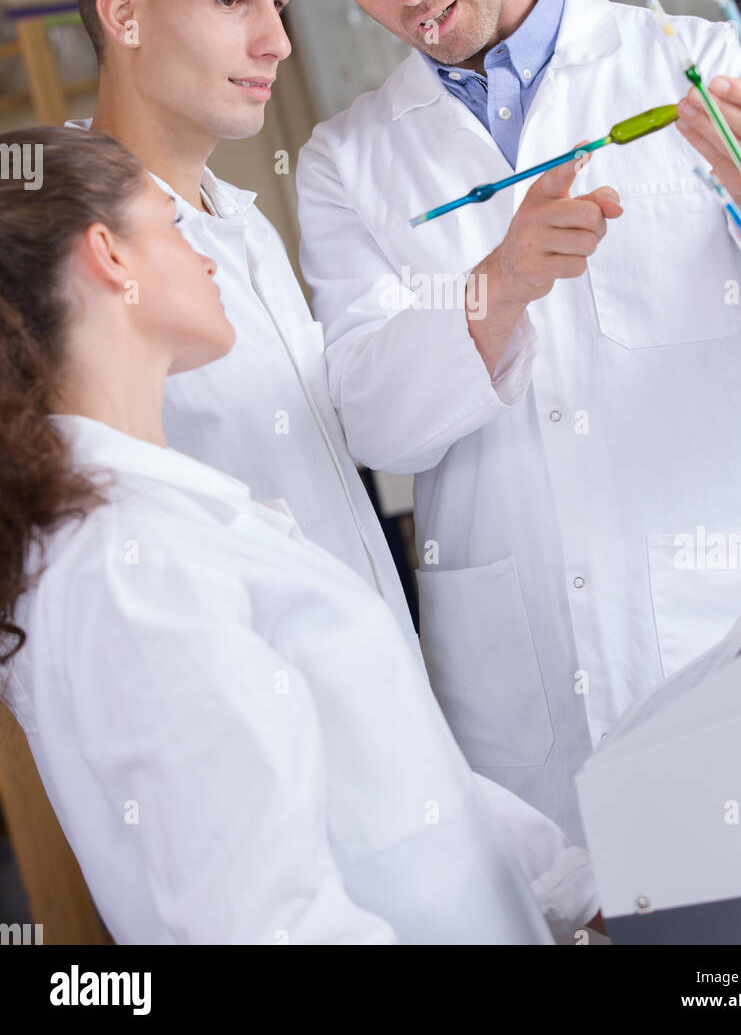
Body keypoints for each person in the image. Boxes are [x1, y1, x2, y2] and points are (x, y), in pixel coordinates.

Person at [291, 0, 741, 844]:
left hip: (718, 644)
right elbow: (372, 424)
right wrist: (498, 286)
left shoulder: (695, 64)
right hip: (521, 712)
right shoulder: (345, 163)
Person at [0, 128, 601, 945]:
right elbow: (262, 925)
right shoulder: (129, 567)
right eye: (174, 228)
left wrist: (572, 893)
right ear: (109, 255)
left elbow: (398, 781)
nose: (208, 259)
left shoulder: (178, 519)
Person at [69, 0, 417, 654]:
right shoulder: (74, 255)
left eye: (281, 5)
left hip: (368, 697)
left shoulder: (244, 227)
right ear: (124, 14)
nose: (277, 44)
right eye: (234, 2)